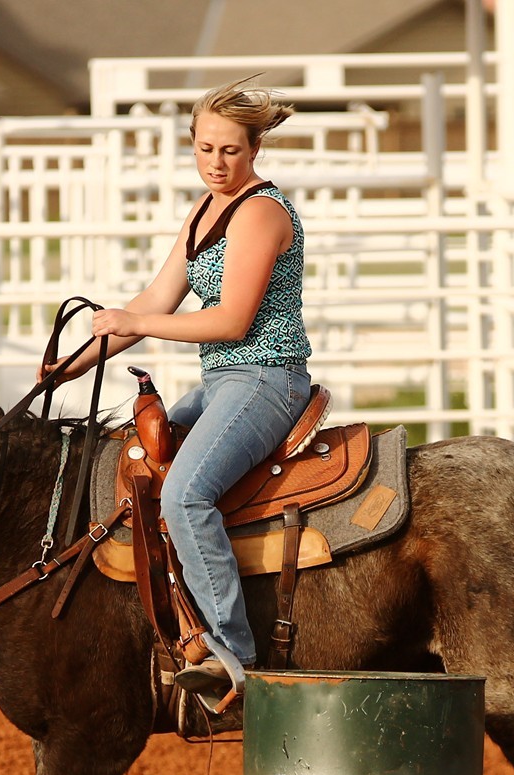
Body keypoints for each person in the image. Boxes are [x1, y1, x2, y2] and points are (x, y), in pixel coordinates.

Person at [38, 77, 312, 700]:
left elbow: (231, 320)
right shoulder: (201, 212)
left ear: (255, 149)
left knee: (185, 495)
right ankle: (167, 629)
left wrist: (135, 322)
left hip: (267, 377)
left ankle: (231, 658)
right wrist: (72, 366)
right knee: (127, 462)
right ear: (192, 145)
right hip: (221, 381)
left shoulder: (262, 212)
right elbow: (157, 299)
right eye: (205, 149)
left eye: (230, 151)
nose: (217, 163)